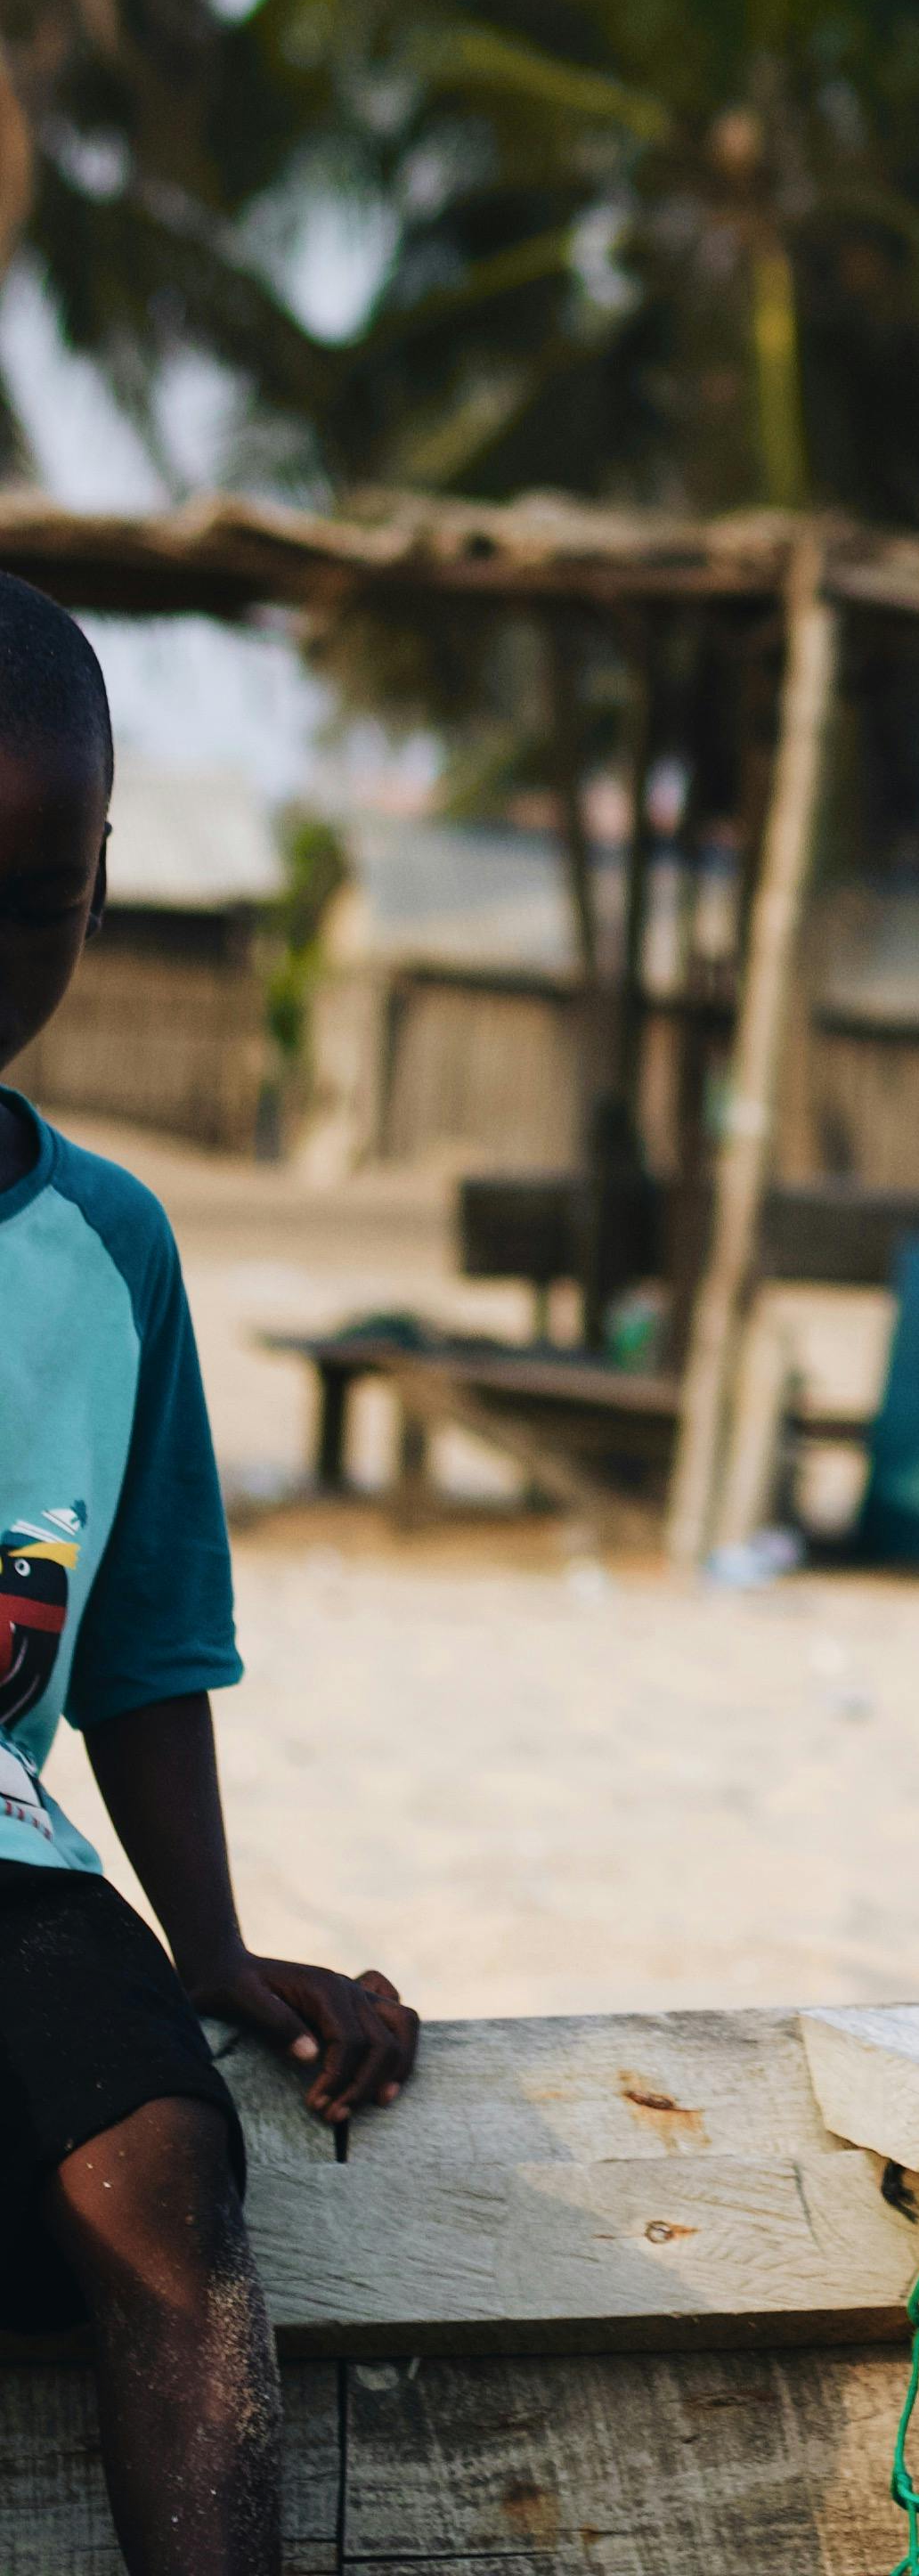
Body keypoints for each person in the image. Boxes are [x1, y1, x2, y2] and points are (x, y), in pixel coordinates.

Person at [0, 574, 419, 2573]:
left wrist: (219, 1948)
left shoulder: (111, 1249)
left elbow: (143, 1645)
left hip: (8, 1853)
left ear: (96, 873)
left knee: (171, 2175)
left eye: (30, 895)